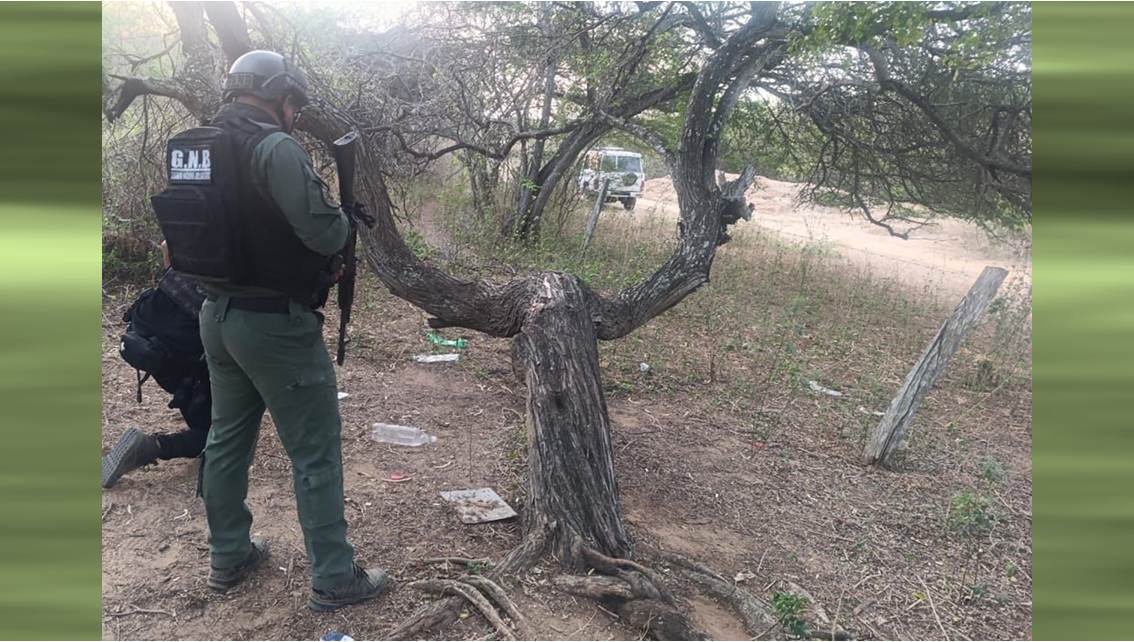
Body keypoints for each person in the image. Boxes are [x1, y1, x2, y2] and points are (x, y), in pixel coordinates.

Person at [184, 50, 389, 611]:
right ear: (279, 96)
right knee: (315, 453)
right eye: (293, 103)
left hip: (216, 316)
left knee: (226, 441)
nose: (294, 113)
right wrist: (345, 219)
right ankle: (335, 577)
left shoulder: (198, 144)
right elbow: (324, 233)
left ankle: (228, 556)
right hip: (275, 324)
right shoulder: (274, 146)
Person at [102, 264, 211, 488]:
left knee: (198, 405)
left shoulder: (197, 229)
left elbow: (165, 248)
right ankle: (153, 446)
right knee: (218, 436)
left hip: (151, 329)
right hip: (189, 348)